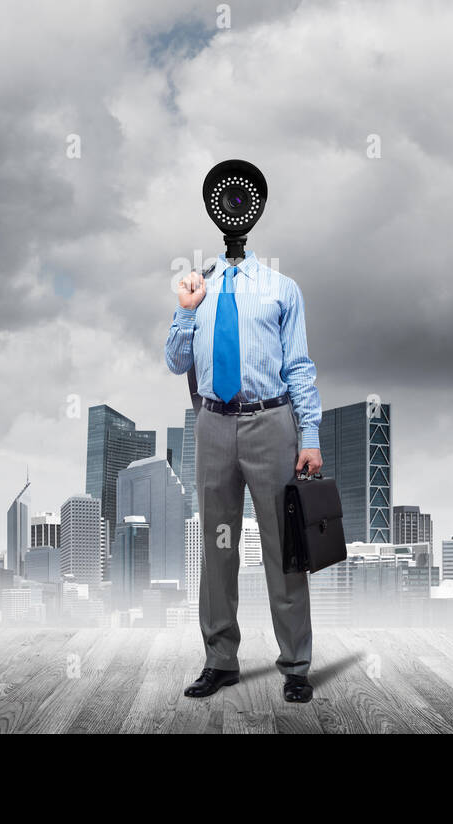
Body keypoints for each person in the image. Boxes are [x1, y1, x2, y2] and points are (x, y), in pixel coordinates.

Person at [165, 249, 322, 703]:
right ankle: (220, 662)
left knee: (284, 548)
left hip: (271, 423)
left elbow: (298, 366)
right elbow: (176, 362)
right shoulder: (198, 287)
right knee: (217, 547)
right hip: (213, 424)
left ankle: (295, 666)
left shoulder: (281, 288)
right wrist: (185, 310)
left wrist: (308, 435)